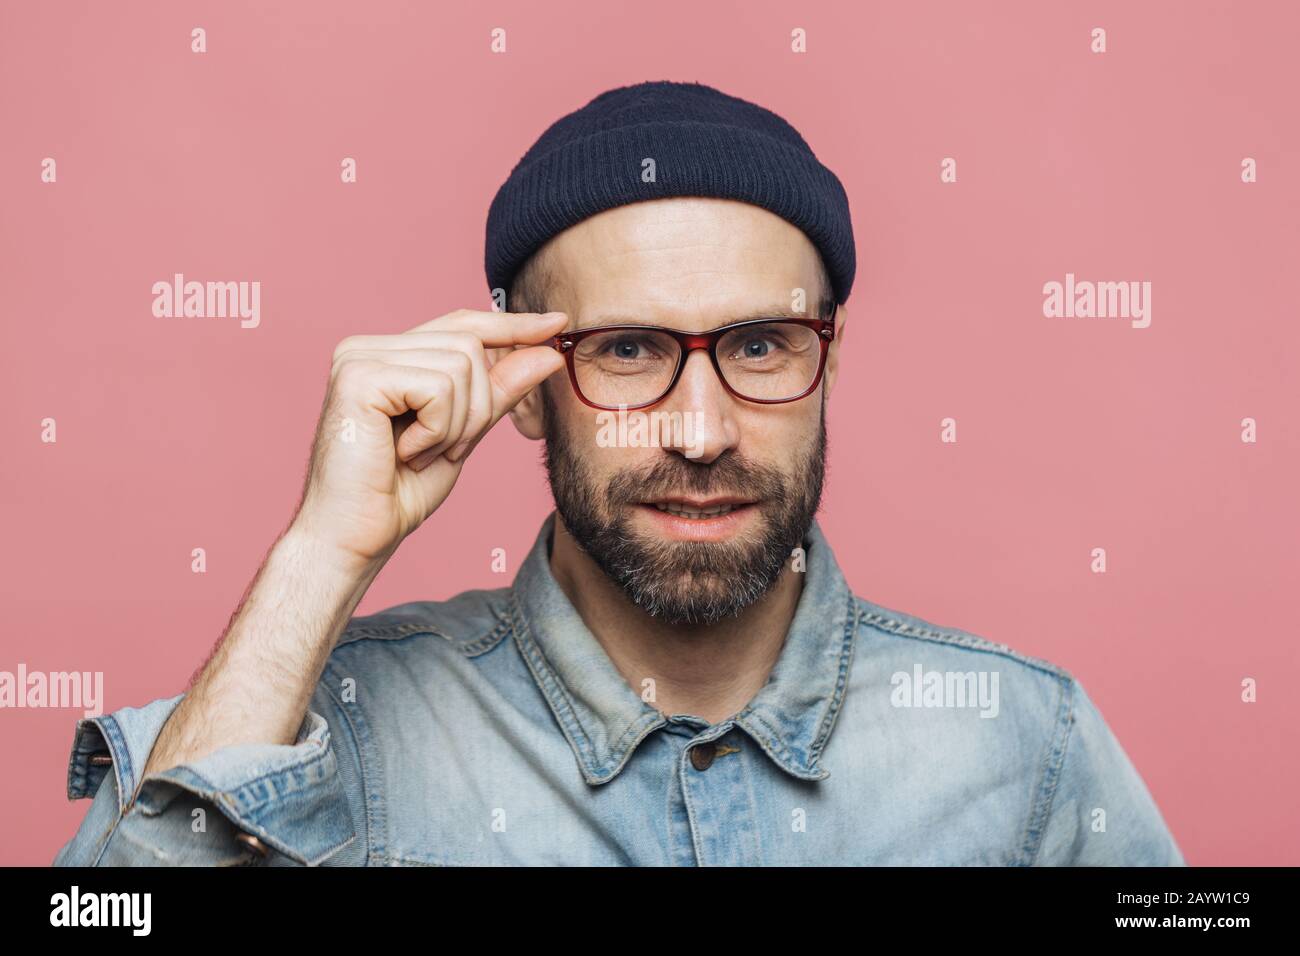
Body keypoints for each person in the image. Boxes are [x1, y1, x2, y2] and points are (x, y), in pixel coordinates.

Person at [54, 80, 1184, 866]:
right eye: (628, 351)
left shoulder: (1020, 741)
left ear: (828, 363)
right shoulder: (335, 727)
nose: (697, 431)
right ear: (530, 388)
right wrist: (319, 552)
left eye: (757, 345)